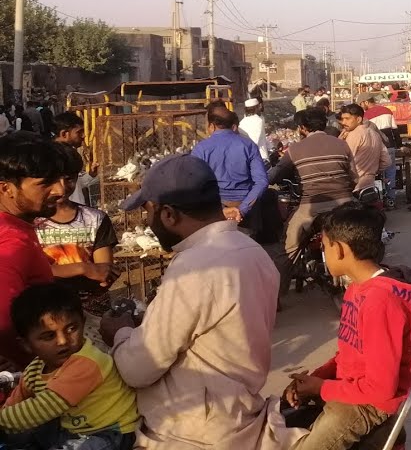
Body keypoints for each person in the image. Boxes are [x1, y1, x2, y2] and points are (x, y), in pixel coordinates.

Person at [100, 154, 302, 449]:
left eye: (149, 212)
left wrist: (119, 333)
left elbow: (138, 368)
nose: (149, 221)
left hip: (190, 432)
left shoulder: (197, 265)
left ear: (168, 214)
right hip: (235, 416)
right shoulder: (252, 251)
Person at [284, 206, 411, 450]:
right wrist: (317, 377)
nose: (324, 253)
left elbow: (380, 390)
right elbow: (350, 353)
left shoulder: (380, 302)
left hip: (368, 405)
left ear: (339, 249)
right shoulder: (356, 289)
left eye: (325, 246)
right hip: (350, 387)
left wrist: (322, 388)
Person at [0, 283, 140, 448]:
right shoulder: (34, 370)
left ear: (83, 323)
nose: (63, 341)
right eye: (49, 336)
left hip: (109, 432)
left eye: (71, 328)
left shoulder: (87, 363)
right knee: (18, 435)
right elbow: (16, 400)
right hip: (71, 428)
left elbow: (44, 406)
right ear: (26, 345)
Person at [0, 133, 69, 370]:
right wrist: (41, 372)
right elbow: (5, 325)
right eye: (45, 183)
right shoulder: (12, 242)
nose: (60, 190)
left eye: (60, 179)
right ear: (7, 188)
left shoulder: (12, 228)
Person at [269, 108, 356, 291]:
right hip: (345, 203)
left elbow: (275, 174)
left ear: (302, 128)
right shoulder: (342, 145)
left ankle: (277, 294)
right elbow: (354, 178)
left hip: (311, 206)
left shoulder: (295, 149)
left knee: (287, 248)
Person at [35, 146, 115, 300]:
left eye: (70, 179)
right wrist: (82, 268)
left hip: (91, 304)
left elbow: (103, 272)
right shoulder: (31, 222)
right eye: (54, 179)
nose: (62, 187)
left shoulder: (95, 219)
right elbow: (29, 272)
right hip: (45, 305)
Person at [192, 104, 269, 226]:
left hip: (216, 212)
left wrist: (222, 210)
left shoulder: (201, 149)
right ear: (233, 126)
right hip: (247, 213)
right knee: (247, 244)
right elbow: (262, 182)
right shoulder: (249, 146)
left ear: (212, 126)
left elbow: (195, 185)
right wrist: (242, 209)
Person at [336, 104, 391, 206]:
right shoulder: (374, 134)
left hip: (354, 183)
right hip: (369, 182)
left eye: (347, 119)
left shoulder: (354, 135)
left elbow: (343, 159)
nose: (344, 122)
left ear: (358, 119)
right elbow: (386, 161)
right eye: (343, 119)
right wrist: (372, 171)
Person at [357, 93, 400, 208]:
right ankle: (391, 200)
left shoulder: (365, 116)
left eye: (361, 104)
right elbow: (395, 130)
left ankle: (374, 198)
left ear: (366, 102)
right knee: (391, 172)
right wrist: (399, 146)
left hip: (373, 149)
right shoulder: (387, 111)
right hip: (389, 146)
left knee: (374, 173)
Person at [52, 112, 95, 207]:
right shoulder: (55, 157)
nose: (84, 136)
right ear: (64, 134)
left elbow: (76, 185)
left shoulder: (69, 153)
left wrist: (90, 175)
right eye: (79, 132)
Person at [239, 97, 271, 163]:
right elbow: (255, 141)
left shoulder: (242, 122)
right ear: (256, 108)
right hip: (260, 156)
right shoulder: (258, 120)